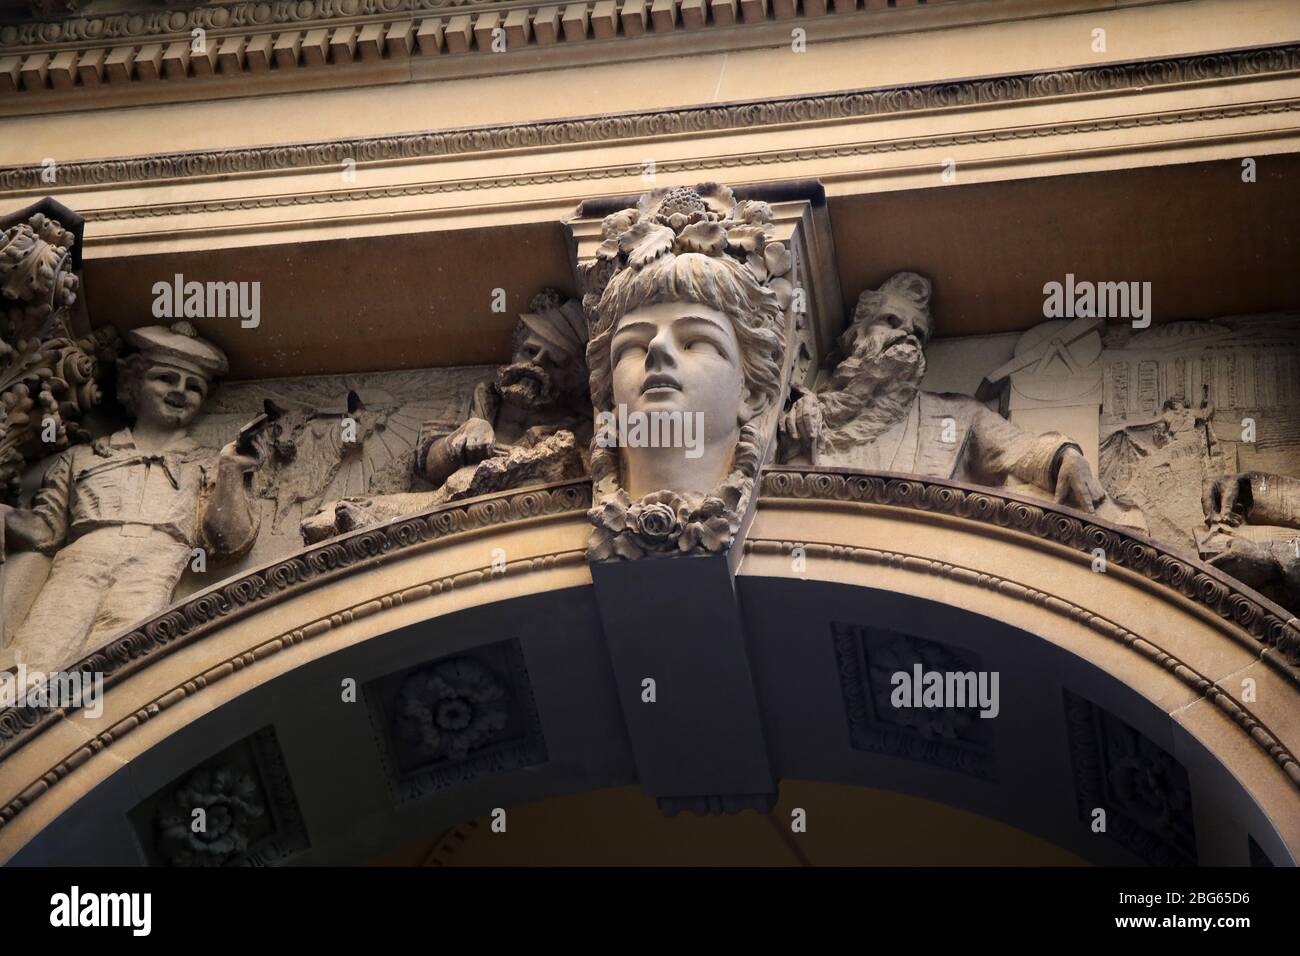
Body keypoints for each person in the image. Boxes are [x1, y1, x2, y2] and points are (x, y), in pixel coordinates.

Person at [3, 322, 260, 671]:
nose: (180, 391)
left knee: (122, 663)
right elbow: (45, 532)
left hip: (156, 559)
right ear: (134, 383)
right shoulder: (85, 456)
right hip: (84, 556)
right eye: (166, 378)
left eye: (194, 386)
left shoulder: (206, 462)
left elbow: (226, 541)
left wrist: (230, 472)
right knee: (40, 651)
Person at [780, 272, 1110, 513]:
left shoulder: (957, 416)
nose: (907, 333)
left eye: (918, 332)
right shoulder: (804, 417)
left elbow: (1020, 451)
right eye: (891, 321)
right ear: (856, 334)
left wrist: (1064, 456)